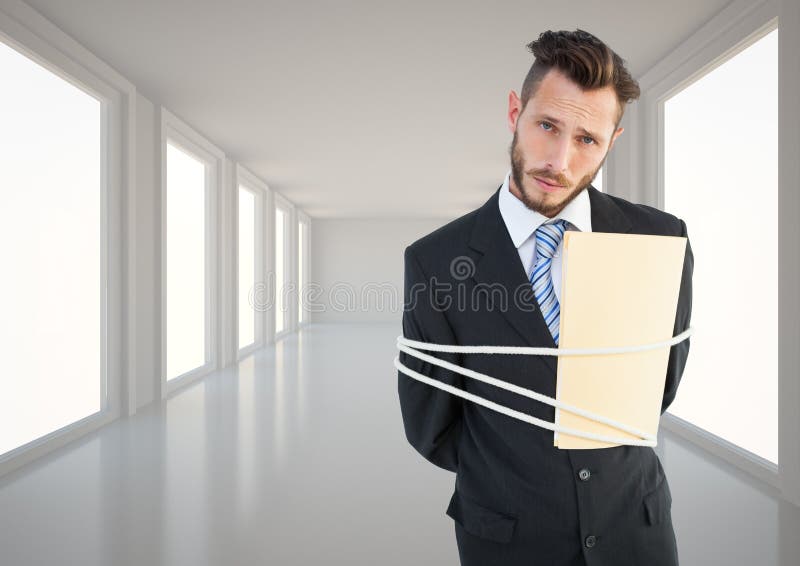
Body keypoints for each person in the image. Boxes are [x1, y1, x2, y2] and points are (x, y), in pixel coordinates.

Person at [397, 29, 693, 566]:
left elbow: (660, 387)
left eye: (587, 139)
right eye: (547, 126)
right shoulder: (433, 261)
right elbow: (431, 427)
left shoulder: (662, 239)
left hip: (637, 530)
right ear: (516, 111)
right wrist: (515, 469)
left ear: (613, 141)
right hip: (507, 537)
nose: (559, 159)